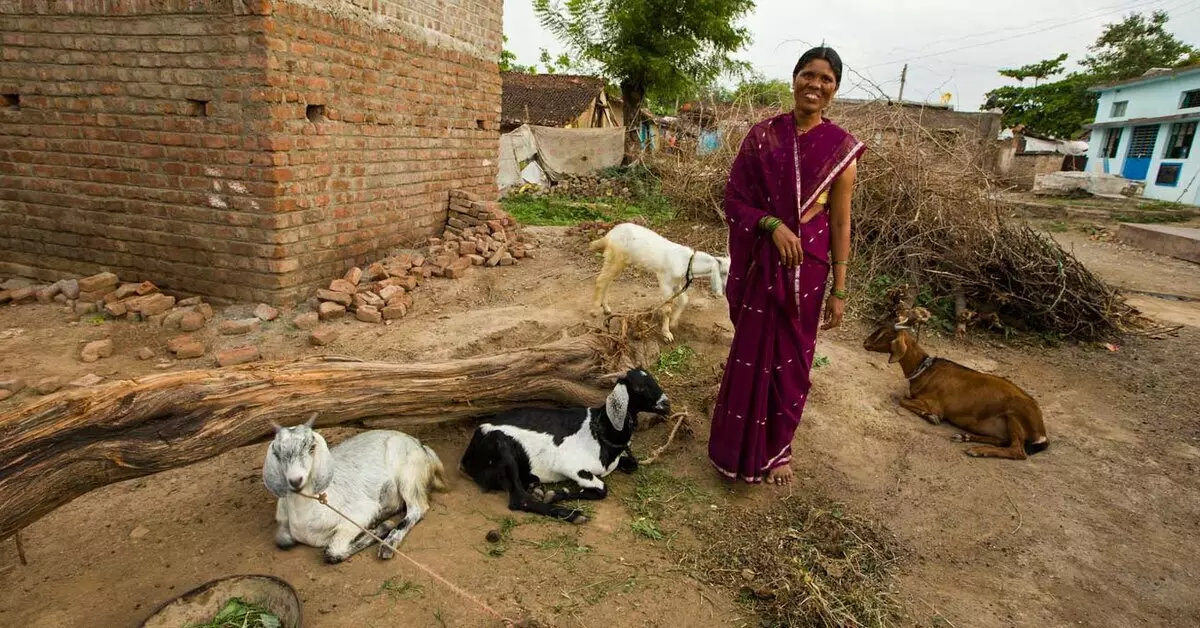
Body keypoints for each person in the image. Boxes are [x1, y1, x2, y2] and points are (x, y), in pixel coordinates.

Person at [708, 46, 866, 486]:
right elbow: (735, 199)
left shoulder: (841, 150)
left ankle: (778, 449)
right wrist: (772, 224)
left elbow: (840, 220)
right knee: (750, 355)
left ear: (835, 89)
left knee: (792, 362)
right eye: (809, 75)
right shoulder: (763, 136)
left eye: (826, 79)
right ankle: (734, 449)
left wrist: (840, 288)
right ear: (794, 77)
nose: (815, 85)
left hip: (809, 273)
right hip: (763, 267)